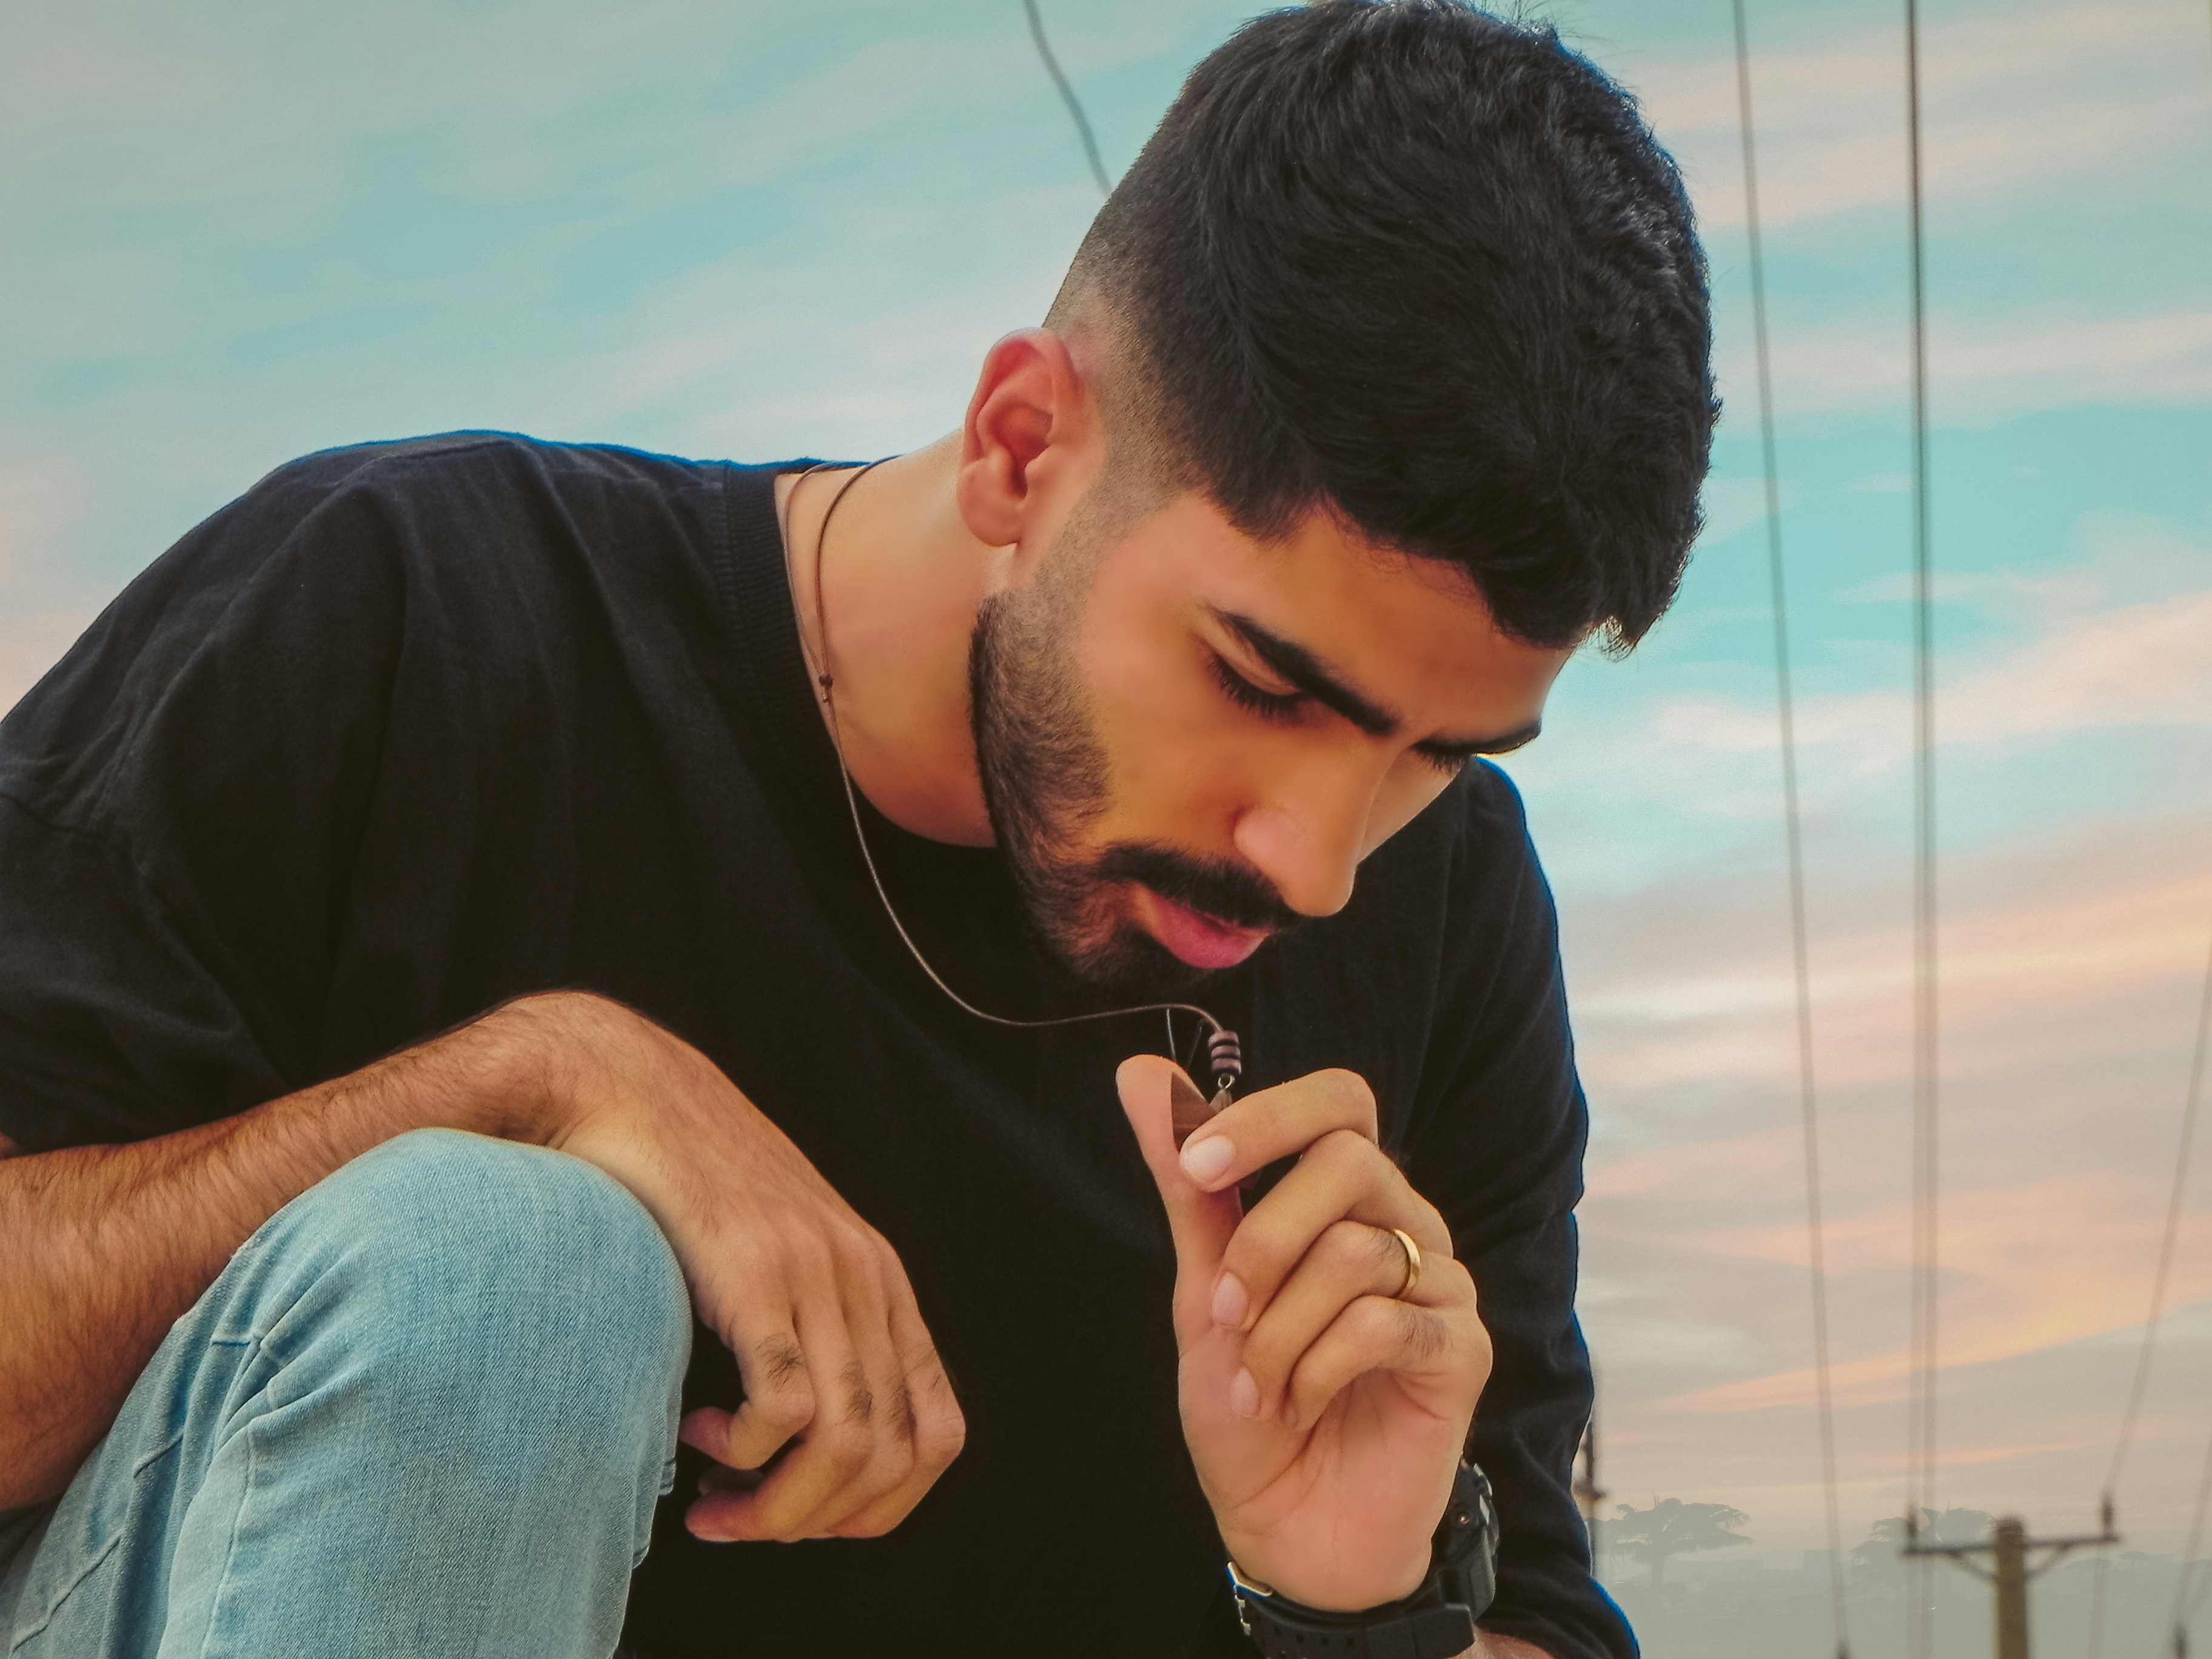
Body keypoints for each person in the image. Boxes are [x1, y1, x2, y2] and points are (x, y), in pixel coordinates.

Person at [0, 2, 1713, 1654]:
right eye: (1263, 684)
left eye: (1438, 755)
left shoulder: (1450, 909)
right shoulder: (411, 613)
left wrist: (1359, 1612)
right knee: (503, 1262)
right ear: (1021, 449)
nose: (1318, 866)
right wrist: (530, 1079)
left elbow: (1527, 1613)